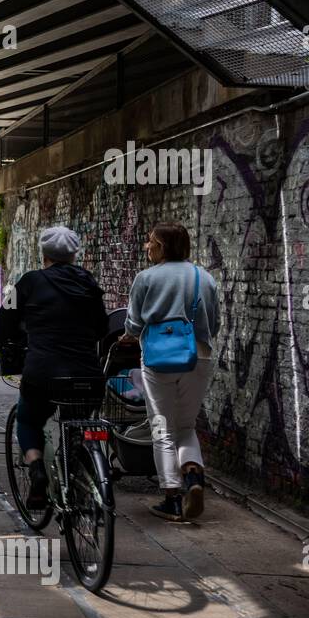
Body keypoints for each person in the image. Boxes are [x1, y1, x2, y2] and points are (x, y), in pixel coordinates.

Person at [0, 226, 108, 509]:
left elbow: (4, 319)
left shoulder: (28, 282)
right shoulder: (89, 283)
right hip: (87, 373)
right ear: (74, 254)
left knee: (28, 418)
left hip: (43, 373)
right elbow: (102, 326)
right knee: (79, 422)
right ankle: (77, 467)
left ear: (43, 254)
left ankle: (36, 467)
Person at [118, 222, 220, 522]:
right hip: (197, 356)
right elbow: (213, 324)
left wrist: (129, 335)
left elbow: (134, 325)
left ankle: (172, 499)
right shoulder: (204, 277)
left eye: (151, 242)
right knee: (186, 426)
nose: (147, 247)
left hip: (158, 360)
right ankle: (192, 475)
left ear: (162, 245)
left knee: (161, 427)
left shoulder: (146, 278)